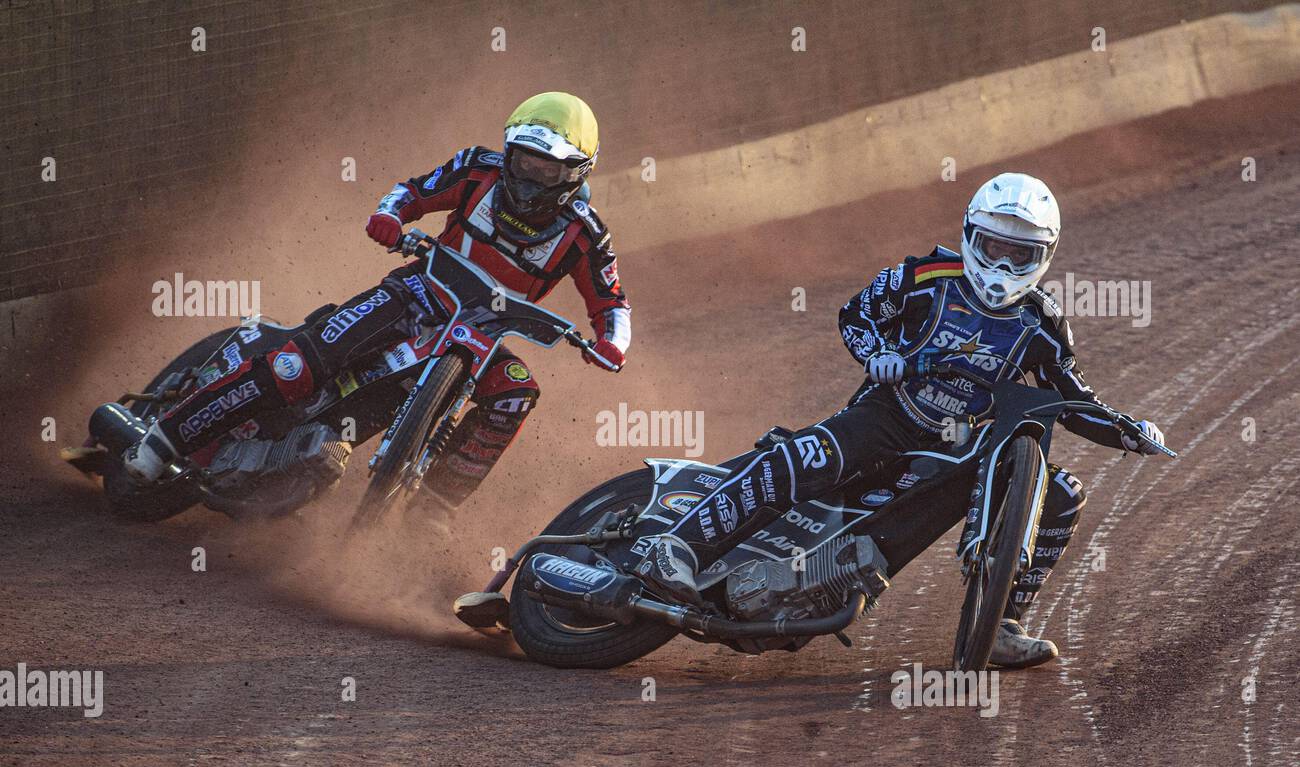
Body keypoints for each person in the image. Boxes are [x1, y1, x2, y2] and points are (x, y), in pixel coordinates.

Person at [635, 172, 1165, 668]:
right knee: (806, 455)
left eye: (1018, 255)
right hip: (888, 414)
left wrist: (1128, 429)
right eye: (992, 248)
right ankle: (675, 548)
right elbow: (855, 314)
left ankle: (1001, 623)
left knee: (1064, 493)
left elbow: (1070, 398)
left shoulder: (1044, 326)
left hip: (959, 448)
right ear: (969, 235)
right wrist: (879, 354)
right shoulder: (924, 276)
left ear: (1043, 258)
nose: (1001, 267)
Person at [123, 91, 630, 514]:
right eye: (522, 160)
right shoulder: (479, 170)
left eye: (545, 170)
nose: (527, 177)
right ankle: (161, 441)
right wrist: (391, 216)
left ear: (575, 173)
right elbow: (411, 192)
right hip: (415, 295)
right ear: (508, 151)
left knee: (516, 392)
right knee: (295, 367)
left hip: (480, 338)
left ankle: (433, 512)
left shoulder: (587, 236)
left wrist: (611, 342)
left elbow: (613, 304)